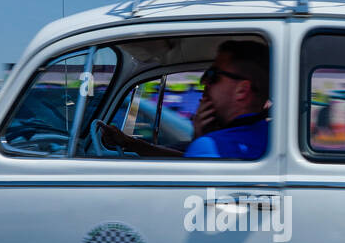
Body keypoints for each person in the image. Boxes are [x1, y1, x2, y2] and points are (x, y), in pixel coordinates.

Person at [98, 41, 269, 159]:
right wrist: (132, 144)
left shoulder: (209, 146)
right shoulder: (267, 135)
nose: (203, 82)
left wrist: (199, 137)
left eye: (213, 75)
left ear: (242, 90)